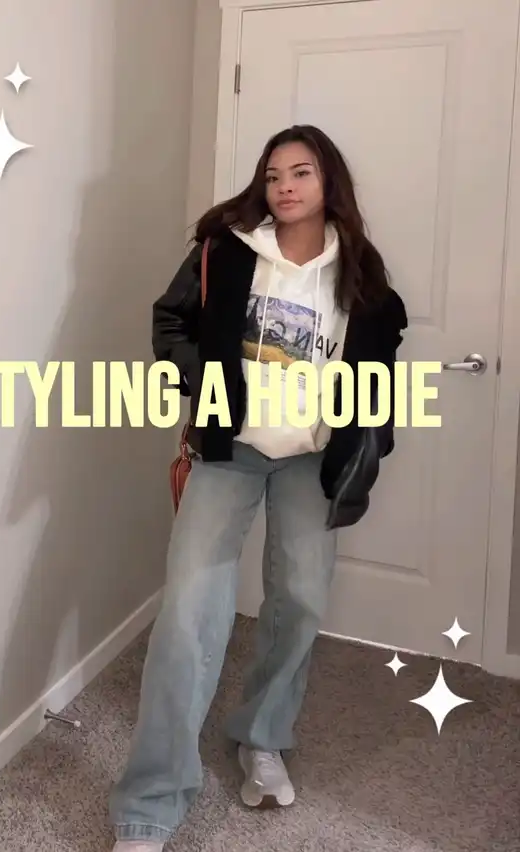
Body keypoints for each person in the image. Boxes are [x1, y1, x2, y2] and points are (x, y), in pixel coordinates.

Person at [108, 124, 408, 851]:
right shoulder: (227, 250)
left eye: (300, 172)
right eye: (273, 175)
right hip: (229, 452)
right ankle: (149, 804)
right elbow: (171, 321)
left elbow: (378, 364)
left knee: (299, 601)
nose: (284, 187)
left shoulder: (359, 269)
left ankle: (263, 736)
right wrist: (208, 387)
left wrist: (368, 441)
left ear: (328, 181)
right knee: (188, 613)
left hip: (311, 459)